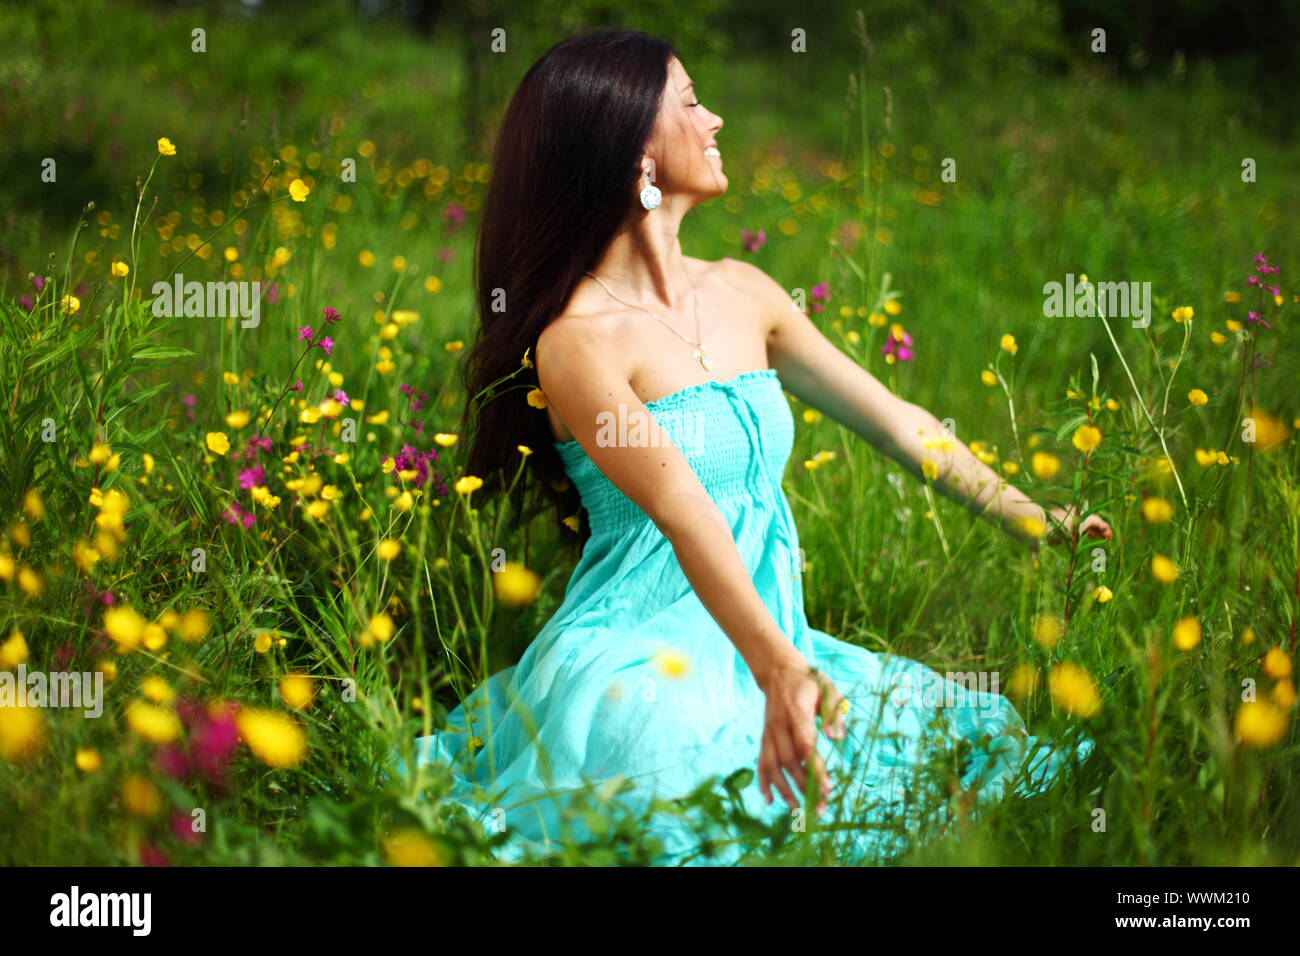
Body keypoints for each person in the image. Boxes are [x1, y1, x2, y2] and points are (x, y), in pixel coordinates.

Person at [412, 28, 1113, 865]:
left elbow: (896, 418)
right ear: (634, 148)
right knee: (676, 780)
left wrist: (1035, 516)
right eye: (692, 103)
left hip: (773, 641)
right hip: (640, 656)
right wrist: (778, 670)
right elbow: (680, 507)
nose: (717, 122)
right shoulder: (579, 345)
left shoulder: (746, 292)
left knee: (926, 740)